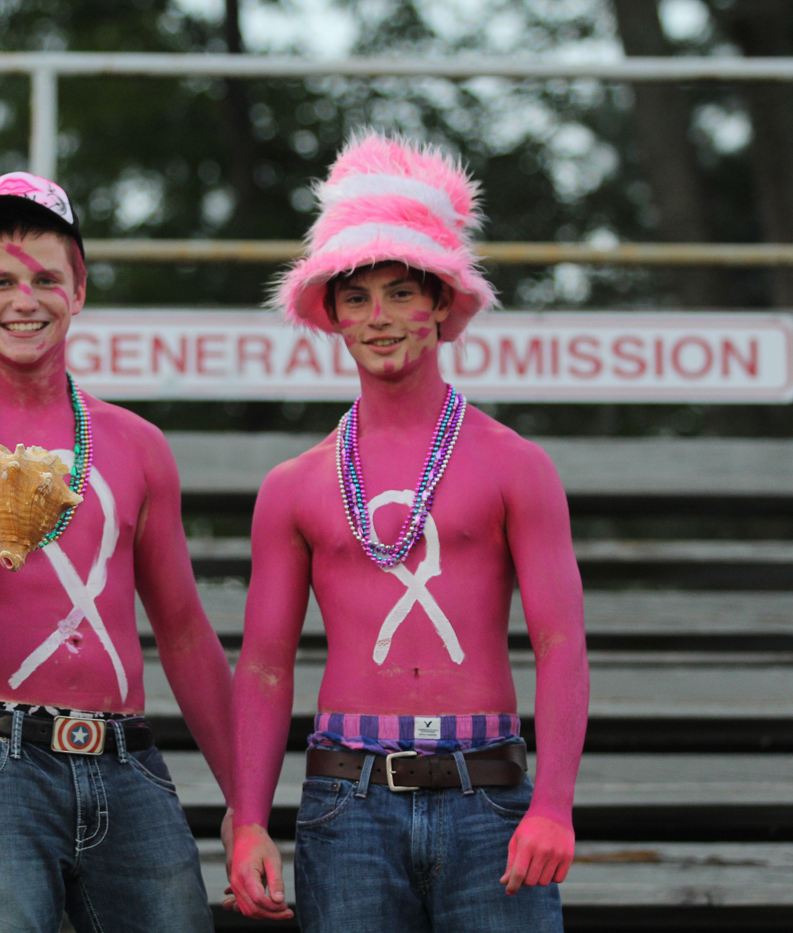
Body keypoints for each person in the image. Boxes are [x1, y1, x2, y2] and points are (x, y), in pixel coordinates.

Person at [228, 132, 589, 932]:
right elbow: (262, 665)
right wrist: (249, 817)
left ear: (441, 303)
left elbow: (561, 643)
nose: (380, 317)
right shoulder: (295, 486)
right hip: (348, 800)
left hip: (488, 792)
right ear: (331, 315)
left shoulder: (514, 465)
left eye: (400, 292)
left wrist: (554, 804)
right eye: (356, 297)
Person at [0, 172, 233, 933]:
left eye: (46, 278)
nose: (23, 300)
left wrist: (247, 804)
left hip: (125, 757)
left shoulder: (136, 443)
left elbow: (183, 629)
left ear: (79, 291)